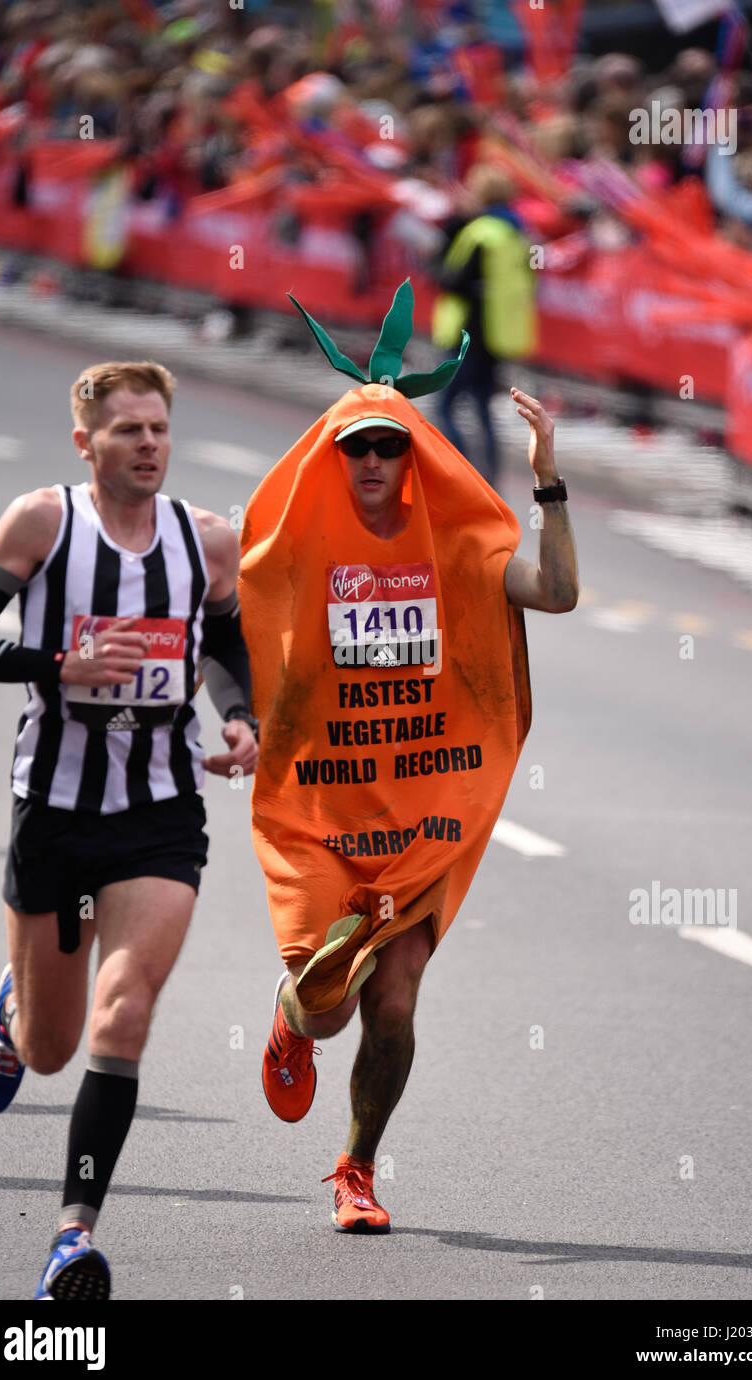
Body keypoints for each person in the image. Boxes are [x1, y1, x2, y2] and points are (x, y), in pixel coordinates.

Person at [239, 280, 577, 1232]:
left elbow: (554, 592)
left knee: (391, 1000)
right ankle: (291, 1015)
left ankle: (355, 1168)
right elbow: (222, 613)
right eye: (358, 447)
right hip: (318, 817)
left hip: (425, 821)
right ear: (332, 459)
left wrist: (546, 477)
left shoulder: (463, 552)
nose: (376, 460)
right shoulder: (291, 551)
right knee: (330, 1009)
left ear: (417, 456)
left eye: (393, 445)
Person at [0, 361, 258, 1299]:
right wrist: (57, 664)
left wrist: (243, 718)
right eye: (127, 431)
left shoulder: (206, 541)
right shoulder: (42, 523)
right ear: (86, 443)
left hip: (162, 815)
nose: (148, 446)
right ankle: (11, 1015)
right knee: (50, 1047)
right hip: (53, 810)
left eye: (159, 429)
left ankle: (70, 1240)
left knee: (123, 1012)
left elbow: (227, 643)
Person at [431, 165, 537, 489]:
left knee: (444, 405)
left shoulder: (479, 233)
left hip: (468, 333)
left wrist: (438, 252)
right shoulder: (516, 234)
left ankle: (462, 472)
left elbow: (453, 281)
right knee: (481, 408)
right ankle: (490, 479)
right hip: (497, 335)